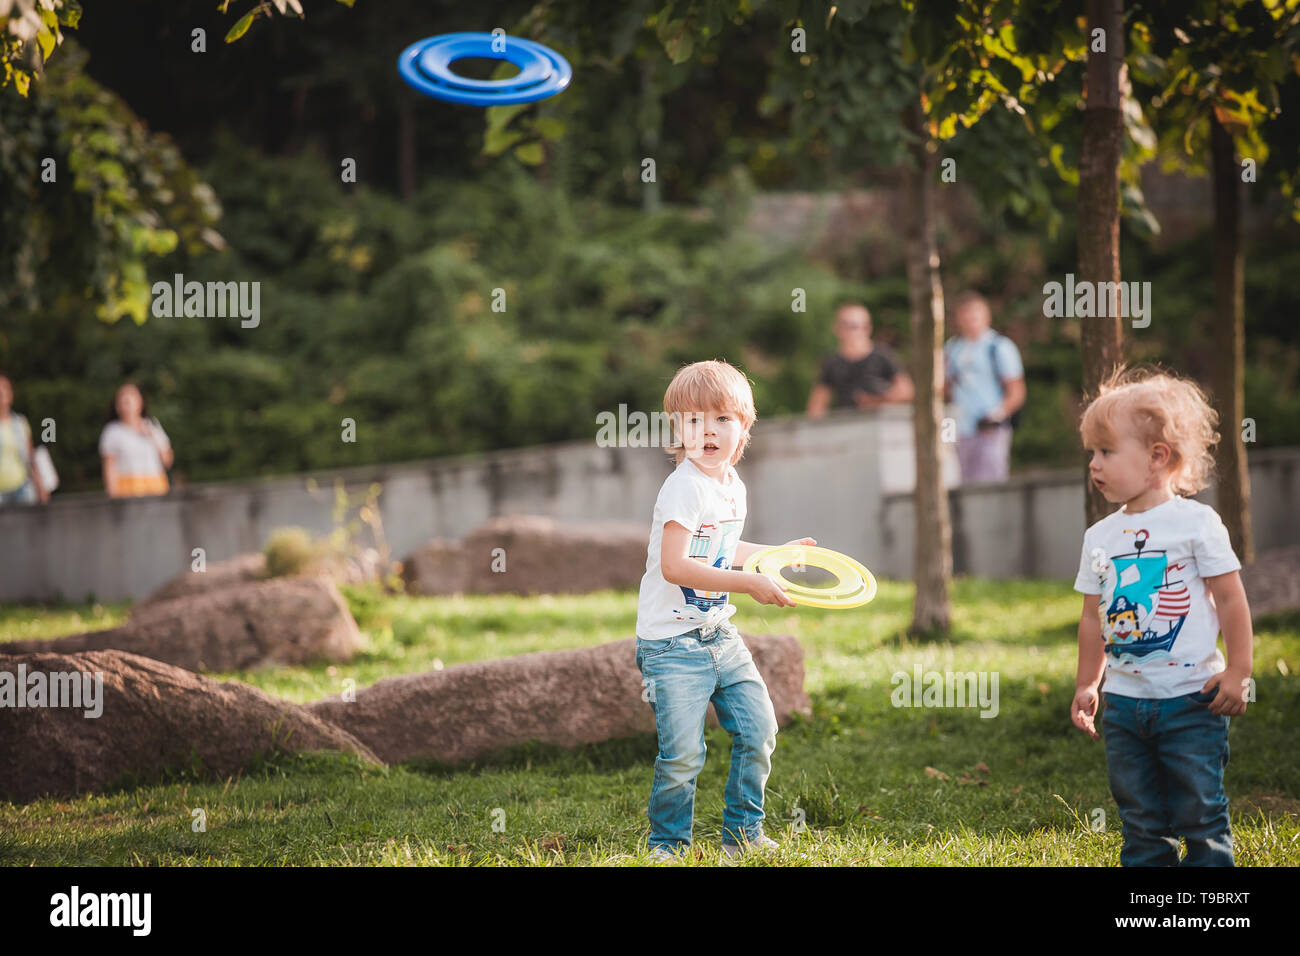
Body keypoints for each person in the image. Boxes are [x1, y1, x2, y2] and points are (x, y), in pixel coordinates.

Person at [1070, 368, 1252, 867]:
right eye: (1091, 453)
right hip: (1125, 707)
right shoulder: (1100, 537)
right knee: (1142, 821)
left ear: (1157, 457)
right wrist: (1090, 682)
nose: (1094, 464)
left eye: (1106, 452)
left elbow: (1232, 601)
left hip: (1193, 702)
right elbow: (1092, 617)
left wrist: (1238, 673)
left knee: (1201, 814)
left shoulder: (1196, 524)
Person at [636, 359, 816, 861]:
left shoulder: (731, 484)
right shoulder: (684, 487)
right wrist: (748, 584)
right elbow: (675, 566)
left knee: (760, 731)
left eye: (720, 419)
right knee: (683, 756)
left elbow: (721, 548)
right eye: (693, 421)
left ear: (744, 428)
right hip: (671, 644)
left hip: (718, 636)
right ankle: (668, 844)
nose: (707, 431)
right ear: (678, 430)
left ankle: (743, 834)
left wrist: (773, 557)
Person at [943, 291, 1025, 482]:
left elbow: (1016, 390)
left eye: (975, 314)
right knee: (963, 482)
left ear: (986, 316)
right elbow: (946, 389)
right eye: (965, 315)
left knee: (991, 480)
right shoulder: (952, 349)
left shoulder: (999, 347)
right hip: (960, 429)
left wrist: (997, 415)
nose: (970, 320)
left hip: (991, 430)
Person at [806, 303, 914, 418]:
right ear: (836, 328)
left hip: (882, 422)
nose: (850, 331)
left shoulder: (884, 356)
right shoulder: (832, 363)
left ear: (868, 328)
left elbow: (907, 392)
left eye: (854, 326)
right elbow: (817, 405)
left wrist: (876, 401)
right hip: (847, 425)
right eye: (845, 325)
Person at [100, 382, 174, 498]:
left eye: (132, 397)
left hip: (156, 487)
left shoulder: (152, 425)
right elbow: (109, 466)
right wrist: (112, 494)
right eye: (123, 399)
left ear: (141, 402)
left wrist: (152, 437)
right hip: (128, 490)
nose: (128, 402)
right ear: (117, 406)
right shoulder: (112, 431)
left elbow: (167, 460)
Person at [0, 373, 49, 506]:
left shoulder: (20, 423)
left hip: (22, 488)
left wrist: (40, 486)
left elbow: (30, 457)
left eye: (5, 388)